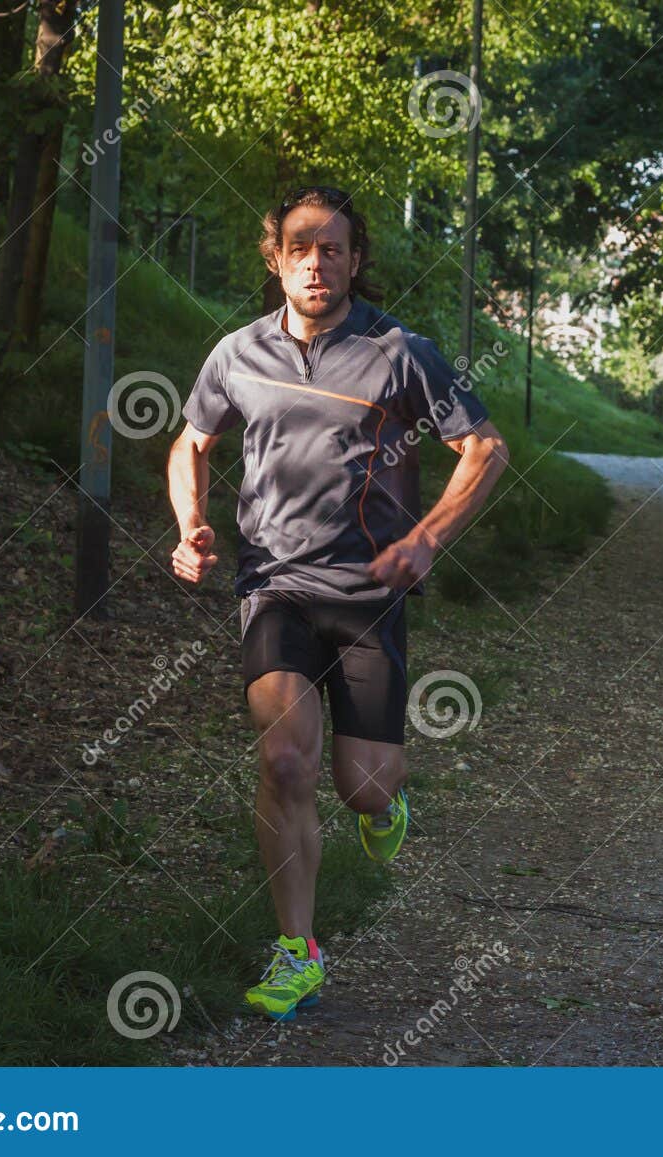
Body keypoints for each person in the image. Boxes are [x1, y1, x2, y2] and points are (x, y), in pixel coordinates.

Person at [166, 185, 509, 1021]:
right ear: (276, 259)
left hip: (368, 595)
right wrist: (191, 525)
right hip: (274, 586)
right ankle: (298, 951)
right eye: (300, 248)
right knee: (285, 761)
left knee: (363, 788)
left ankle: (385, 802)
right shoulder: (237, 353)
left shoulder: (401, 353)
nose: (316, 263)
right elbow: (191, 442)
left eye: (332, 249)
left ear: (356, 261)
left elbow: (484, 448)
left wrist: (427, 537)